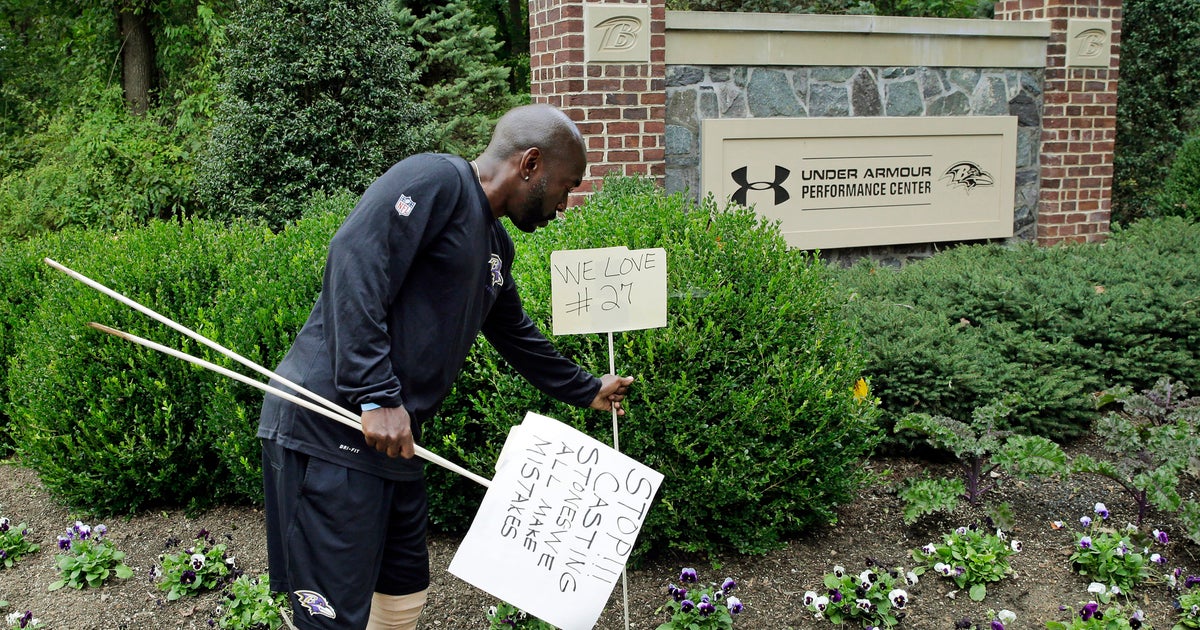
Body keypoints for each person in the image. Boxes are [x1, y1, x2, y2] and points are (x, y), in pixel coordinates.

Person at [256, 103, 634, 629]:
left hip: (392, 442)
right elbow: (354, 256)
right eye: (566, 186)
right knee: (332, 619)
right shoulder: (437, 179)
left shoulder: (495, 245)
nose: (564, 205)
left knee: (403, 593)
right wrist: (378, 395)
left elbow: (513, 331)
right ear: (529, 164)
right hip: (329, 427)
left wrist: (585, 388)